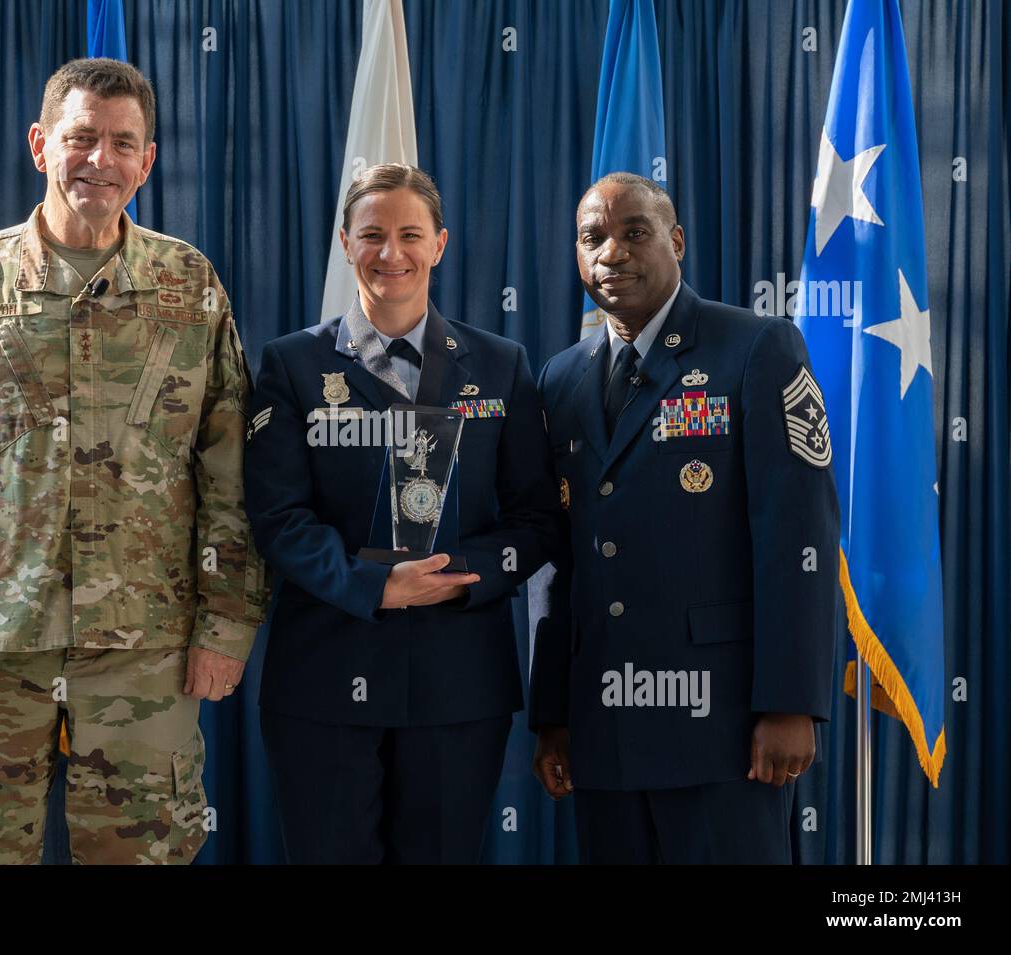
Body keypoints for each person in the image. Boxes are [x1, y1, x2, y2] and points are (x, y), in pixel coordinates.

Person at [0, 58, 265, 865]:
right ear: (41, 144)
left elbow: (230, 473)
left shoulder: (190, 287)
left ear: (148, 160)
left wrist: (227, 620)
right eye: (81, 138)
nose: (101, 161)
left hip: (144, 645)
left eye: (123, 143)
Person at [244, 163, 562, 864]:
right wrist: (375, 584)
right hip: (325, 675)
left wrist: (458, 573)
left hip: (458, 678)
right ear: (344, 243)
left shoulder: (501, 365)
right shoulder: (292, 366)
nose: (392, 253)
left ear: (440, 243)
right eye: (373, 235)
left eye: (410, 234)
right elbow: (277, 517)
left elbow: (537, 517)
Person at [529, 172, 840, 864]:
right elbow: (561, 560)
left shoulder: (757, 348)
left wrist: (791, 702)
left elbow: (799, 539)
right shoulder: (560, 379)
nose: (612, 252)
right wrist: (552, 712)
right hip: (604, 731)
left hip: (724, 730)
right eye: (592, 238)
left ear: (676, 241)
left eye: (634, 232)